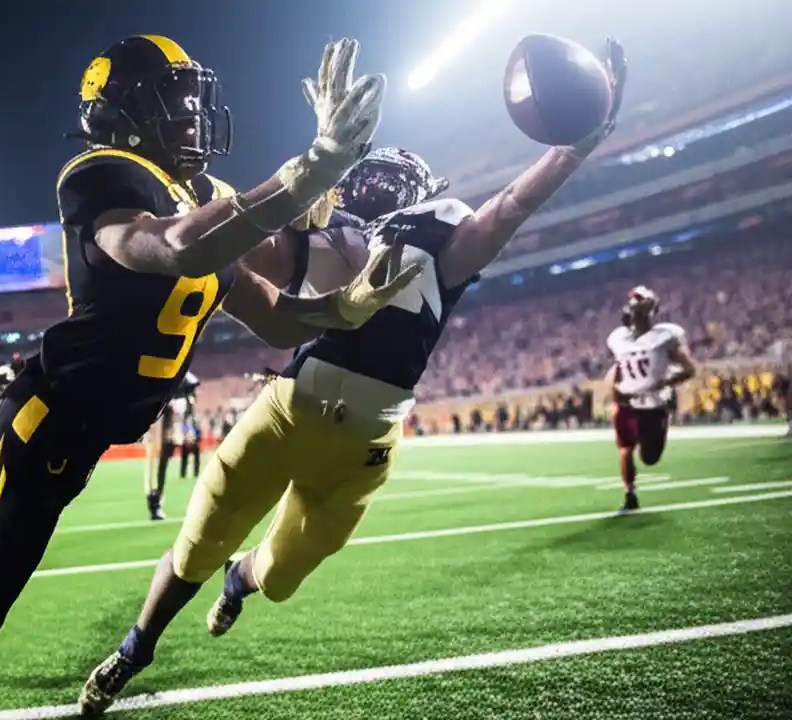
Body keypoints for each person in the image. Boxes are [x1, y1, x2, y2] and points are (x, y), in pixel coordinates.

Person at [0, 35, 414, 719]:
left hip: (90, 429)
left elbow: (274, 316)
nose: (193, 117)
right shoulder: (101, 173)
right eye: (175, 102)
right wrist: (309, 169)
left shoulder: (207, 195)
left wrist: (343, 308)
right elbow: (169, 246)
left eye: (196, 102)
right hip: (46, 418)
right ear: (122, 111)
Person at [77, 38, 630, 716]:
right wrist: (284, 180)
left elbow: (511, 205)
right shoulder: (330, 238)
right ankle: (135, 649)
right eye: (373, 175)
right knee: (194, 543)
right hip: (289, 412)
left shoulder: (445, 238)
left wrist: (572, 147)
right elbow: (248, 247)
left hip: (370, 443)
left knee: (278, 578)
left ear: (424, 193)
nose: (383, 184)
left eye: (397, 178)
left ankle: (240, 580)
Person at [604, 285, 697, 513]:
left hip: (654, 404)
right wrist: (615, 391)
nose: (636, 311)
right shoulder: (618, 338)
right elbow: (616, 369)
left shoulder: (664, 336)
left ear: (651, 310)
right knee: (625, 448)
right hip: (627, 403)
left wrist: (663, 383)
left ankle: (665, 423)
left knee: (650, 458)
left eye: (641, 305)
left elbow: (689, 369)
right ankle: (630, 494)